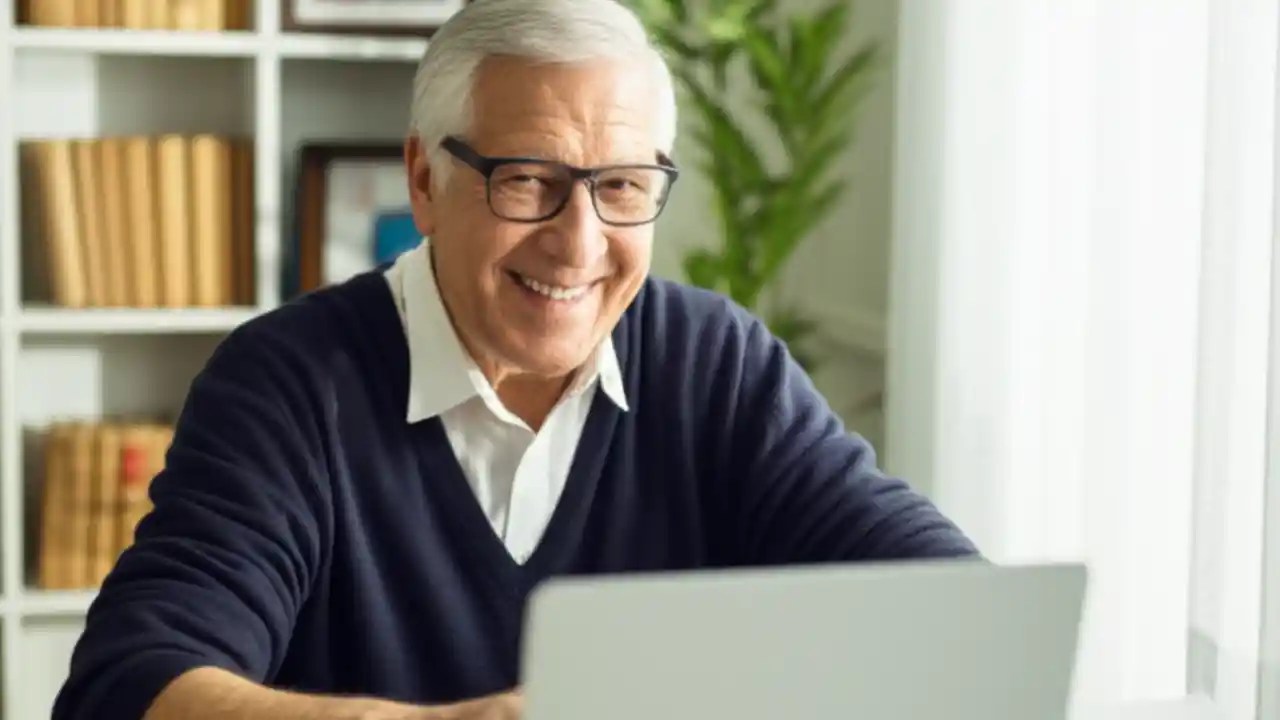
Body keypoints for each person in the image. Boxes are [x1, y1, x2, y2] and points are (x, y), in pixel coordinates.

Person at [52, 1, 978, 718]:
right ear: (425, 180)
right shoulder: (290, 383)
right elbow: (131, 686)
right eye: (528, 180)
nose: (579, 245)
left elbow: (950, 610)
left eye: (621, 187)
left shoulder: (717, 364)